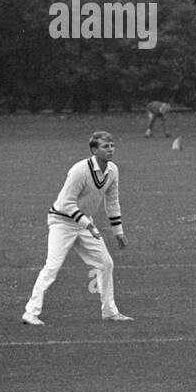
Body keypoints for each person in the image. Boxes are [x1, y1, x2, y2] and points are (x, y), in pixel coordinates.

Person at [22, 131, 132, 325]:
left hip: (84, 223)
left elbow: (112, 201)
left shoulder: (112, 170)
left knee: (106, 263)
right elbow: (65, 203)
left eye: (112, 146)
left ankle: (109, 311)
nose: (111, 150)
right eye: (105, 147)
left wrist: (118, 232)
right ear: (94, 150)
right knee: (53, 266)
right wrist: (87, 223)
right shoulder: (80, 170)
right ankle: (30, 312)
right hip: (62, 222)